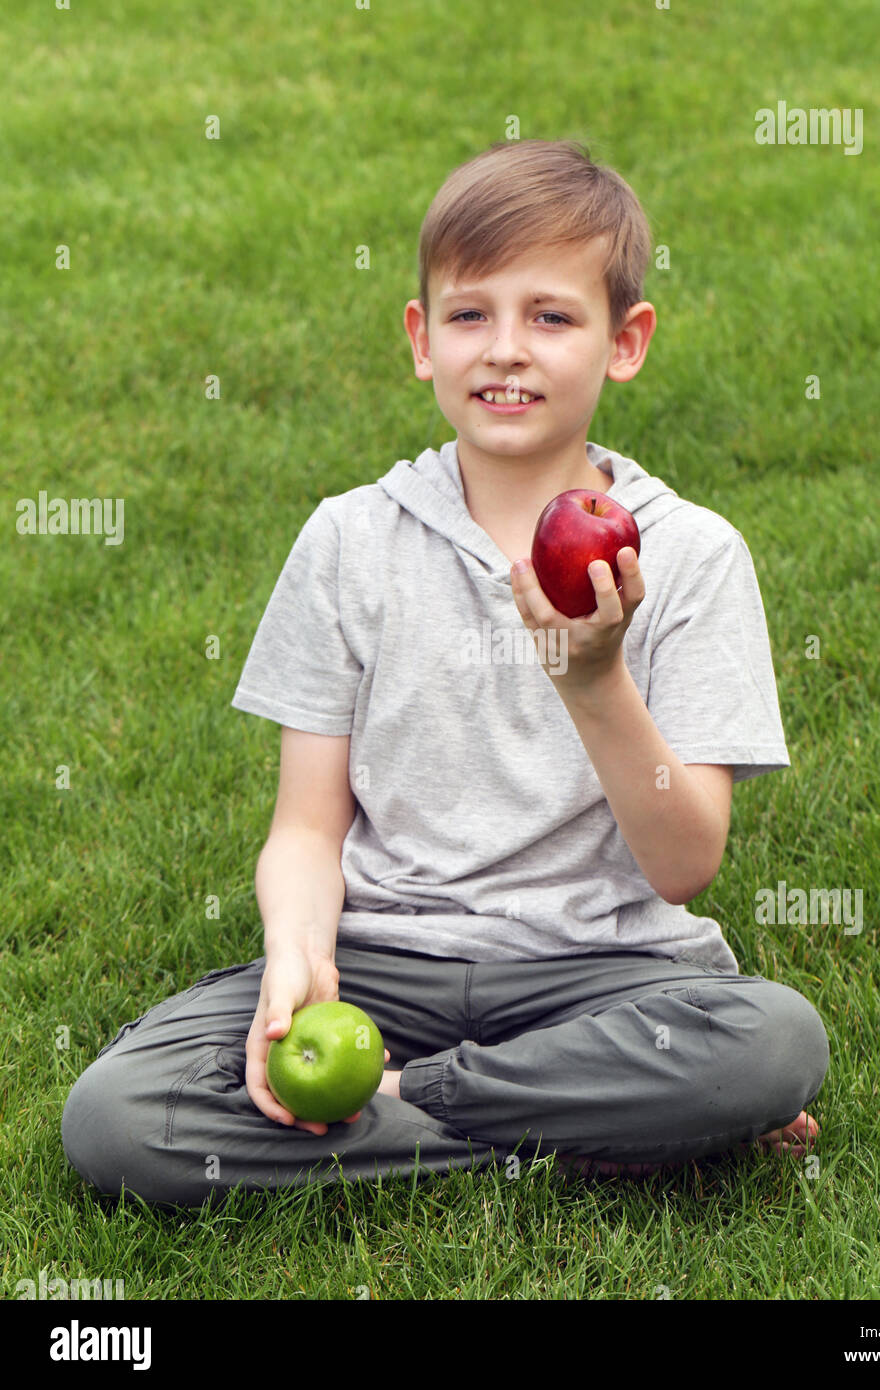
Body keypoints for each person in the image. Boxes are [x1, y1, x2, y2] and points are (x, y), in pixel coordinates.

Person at [61, 139, 829, 1208]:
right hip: (386, 963)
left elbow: (685, 864)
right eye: (471, 315)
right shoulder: (348, 540)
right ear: (422, 340)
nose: (506, 351)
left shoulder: (692, 555)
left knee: (770, 1042)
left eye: (552, 317)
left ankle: (411, 1103)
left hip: (604, 970)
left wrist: (594, 680)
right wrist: (297, 962)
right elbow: (306, 827)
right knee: (118, 1118)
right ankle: (603, 1128)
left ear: (627, 341)